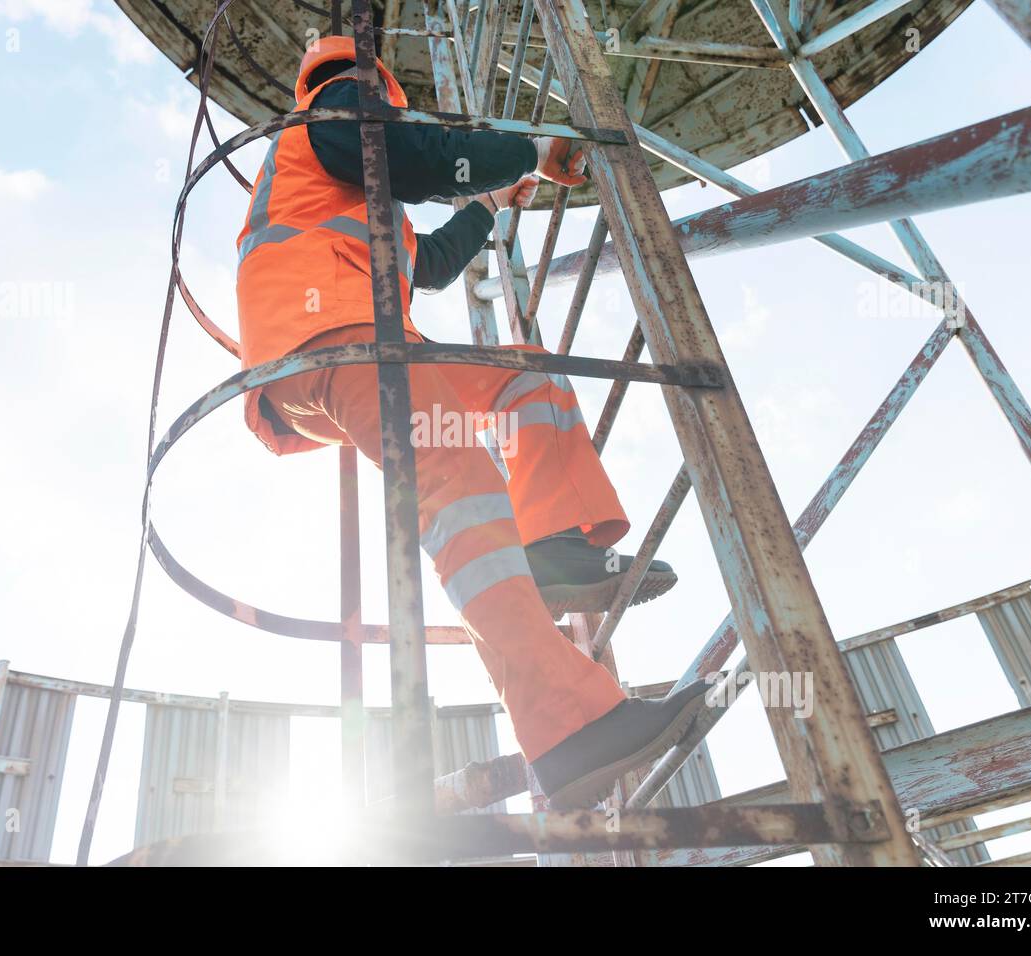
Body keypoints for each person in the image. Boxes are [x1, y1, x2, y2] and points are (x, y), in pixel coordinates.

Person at [234, 35, 707, 809]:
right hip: (327, 337)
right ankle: (568, 723)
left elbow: (428, 267)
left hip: (361, 342)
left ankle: (556, 546)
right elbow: (415, 155)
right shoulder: (337, 109)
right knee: (460, 480)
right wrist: (525, 151)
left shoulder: (346, 182)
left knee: (529, 379)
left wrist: (489, 201)